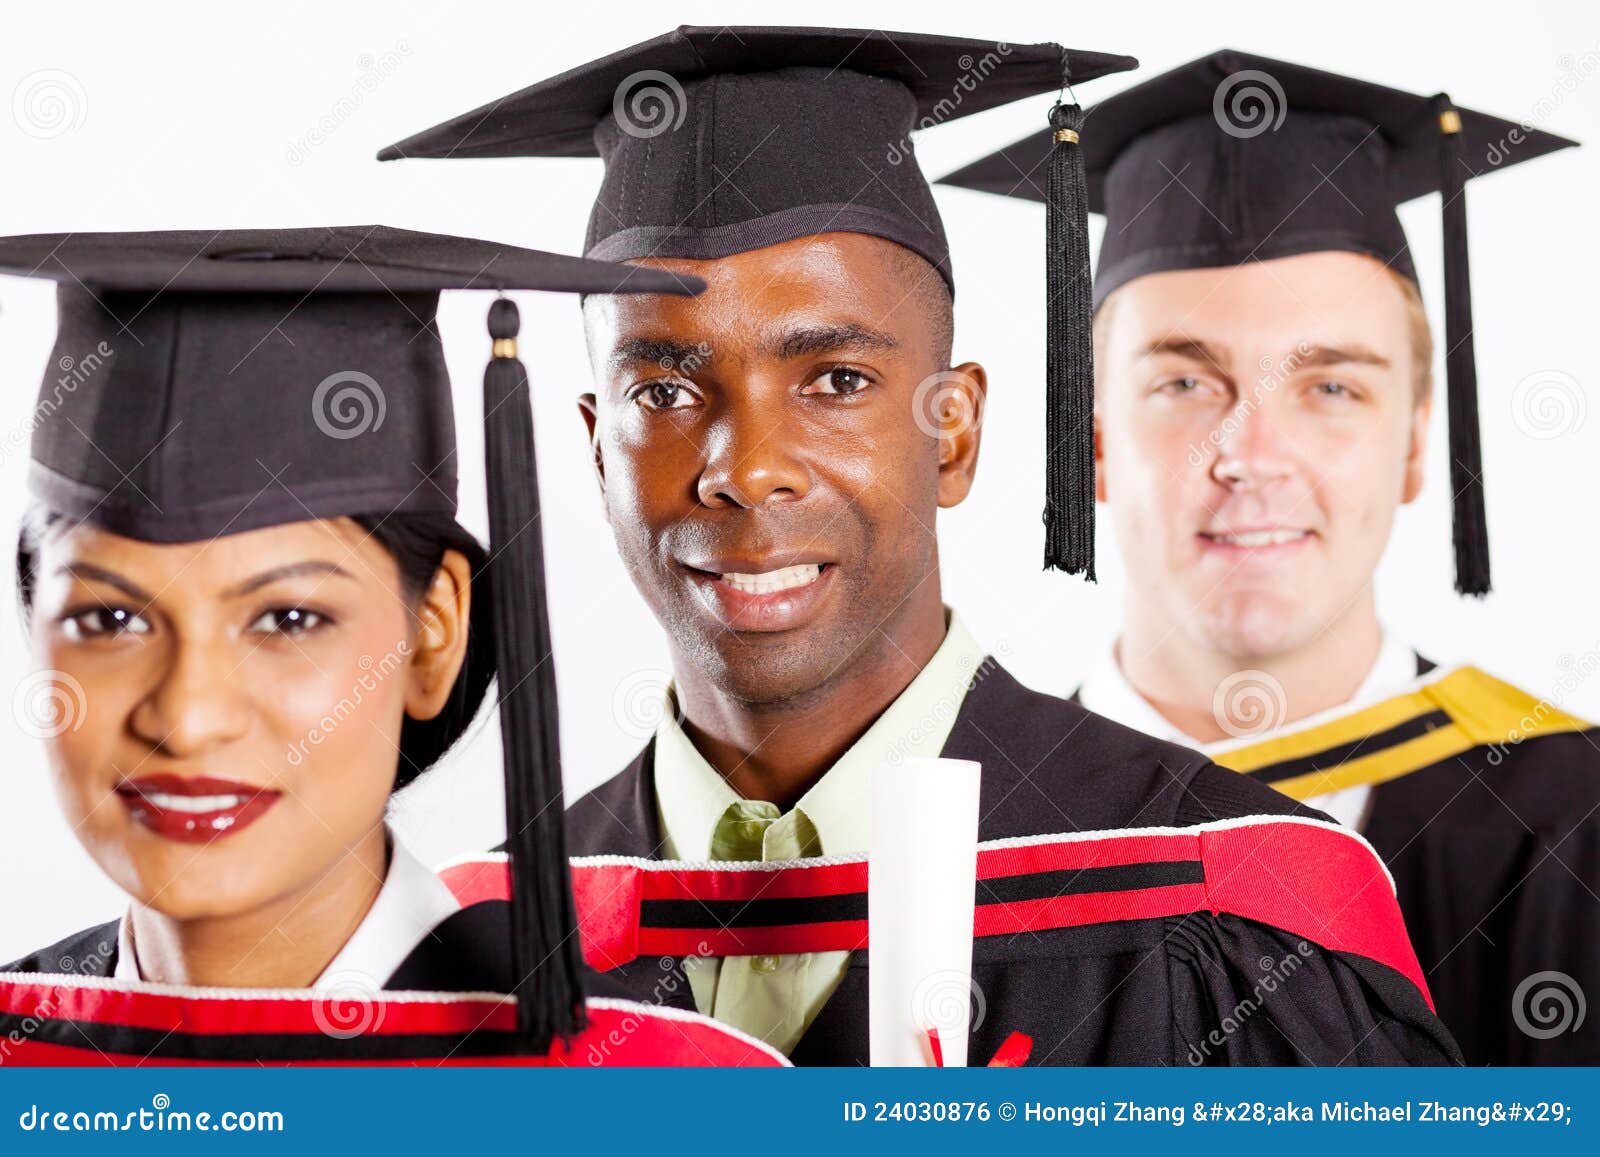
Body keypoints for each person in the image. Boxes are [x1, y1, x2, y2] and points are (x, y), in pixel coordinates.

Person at [381, 28, 1461, 1066]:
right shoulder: (479, 948)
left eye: (836, 381)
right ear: (595, 450)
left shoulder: (1225, 904)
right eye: (663, 390)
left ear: (954, 430)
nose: (746, 466)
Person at [940, 50, 1597, 1064]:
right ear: (1095, 439)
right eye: (1183, 384)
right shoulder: (942, 834)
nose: (1248, 455)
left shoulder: (1571, 824)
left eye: (1332, 387)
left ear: (1417, 441)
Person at [0, 225, 783, 1067]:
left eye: (288, 619)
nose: (186, 717)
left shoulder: (658, 1094)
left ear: (431, 635)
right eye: (110, 620)